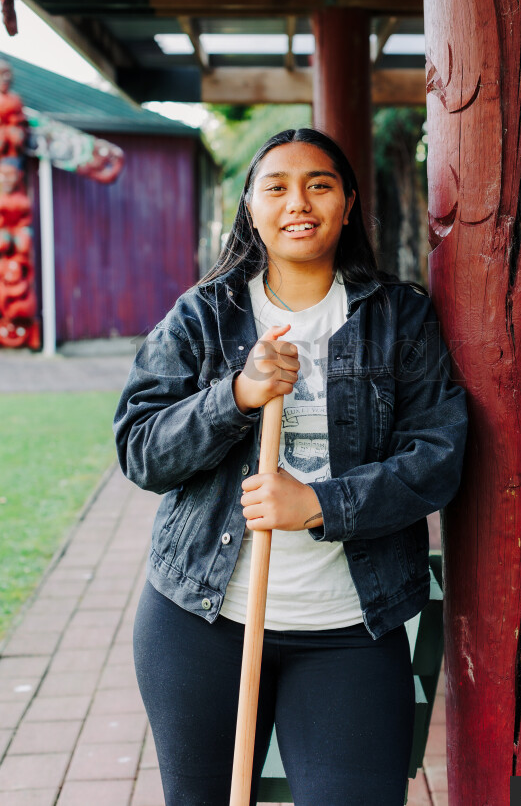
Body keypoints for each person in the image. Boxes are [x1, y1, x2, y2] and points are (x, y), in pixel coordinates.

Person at [114, 128, 468, 806]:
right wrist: (237, 397)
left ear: (348, 202)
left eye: (319, 184)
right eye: (275, 187)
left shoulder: (401, 317)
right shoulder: (203, 316)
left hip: (349, 630)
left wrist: (318, 505)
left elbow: (438, 459)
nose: (297, 202)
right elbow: (141, 448)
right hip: (201, 621)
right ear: (250, 207)